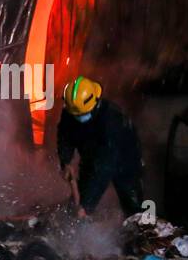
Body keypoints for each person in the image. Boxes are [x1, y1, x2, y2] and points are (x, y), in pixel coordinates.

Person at [56, 75, 144, 218]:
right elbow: (65, 135)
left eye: (83, 114)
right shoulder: (71, 109)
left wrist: (87, 205)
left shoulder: (112, 120)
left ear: (95, 102)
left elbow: (104, 168)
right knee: (79, 201)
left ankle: (138, 228)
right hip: (91, 154)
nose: (78, 118)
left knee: (132, 204)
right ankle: (77, 224)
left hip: (124, 160)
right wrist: (65, 160)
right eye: (76, 115)